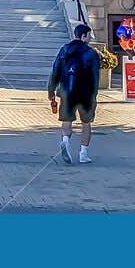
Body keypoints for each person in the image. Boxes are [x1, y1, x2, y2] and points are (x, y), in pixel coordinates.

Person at [47, 23, 102, 164]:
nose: (90, 38)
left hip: (67, 91)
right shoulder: (91, 53)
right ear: (83, 36)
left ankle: (65, 141)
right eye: (89, 36)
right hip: (85, 93)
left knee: (67, 120)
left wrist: (51, 90)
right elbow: (95, 76)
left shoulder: (65, 50)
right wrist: (94, 94)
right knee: (86, 123)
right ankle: (83, 153)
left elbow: (56, 70)